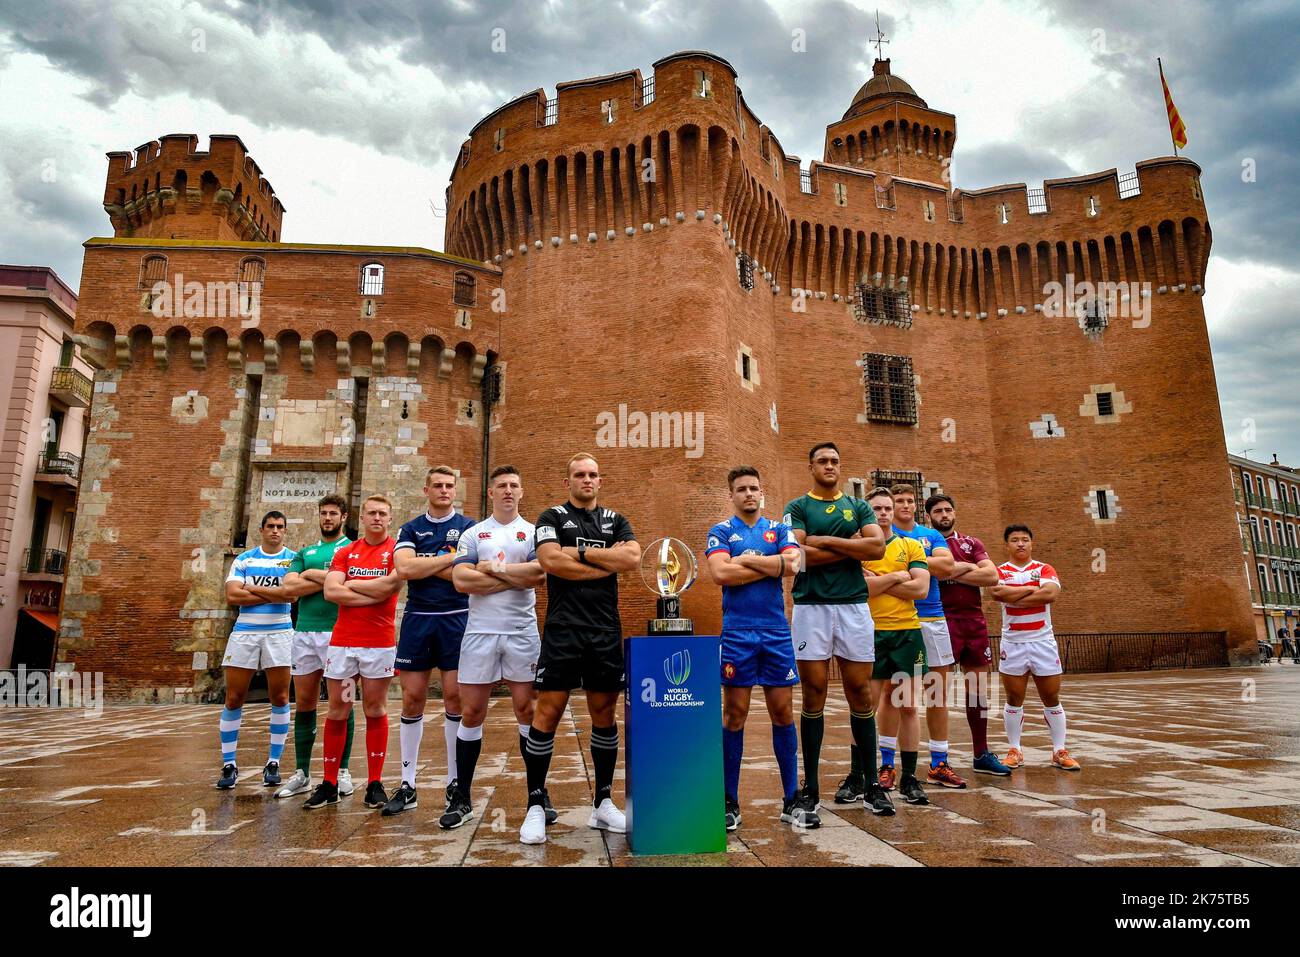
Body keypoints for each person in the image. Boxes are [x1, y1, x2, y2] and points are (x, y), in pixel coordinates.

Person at [520, 454, 641, 845]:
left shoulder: (616, 520)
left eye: (592, 475)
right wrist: (605, 562)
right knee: (548, 711)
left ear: (600, 481)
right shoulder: (551, 517)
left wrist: (582, 553)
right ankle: (535, 805)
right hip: (563, 627)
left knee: (604, 713)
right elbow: (551, 561)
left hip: (604, 628)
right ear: (568, 480)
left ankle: (603, 803)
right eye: (579, 474)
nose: (586, 480)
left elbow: (633, 558)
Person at [784, 442, 891, 820]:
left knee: (860, 692)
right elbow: (797, 556)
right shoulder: (797, 507)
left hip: (853, 605)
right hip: (811, 606)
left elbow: (877, 548)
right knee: (813, 692)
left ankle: (871, 786)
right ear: (810, 466)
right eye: (822, 461)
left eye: (834, 461)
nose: (829, 466)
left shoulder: (859, 506)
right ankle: (810, 789)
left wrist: (825, 541)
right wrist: (853, 548)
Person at [441, 465, 548, 829]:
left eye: (514, 485)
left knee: (526, 710)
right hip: (480, 633)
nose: (507, 490)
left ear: (522, 492)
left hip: (521, 631)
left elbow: (539, 575)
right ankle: (463, 798)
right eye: (501, 485)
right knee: (471, 713)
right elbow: (459, 579)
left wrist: (492, 572)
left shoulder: (533, 533)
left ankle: (537, 795)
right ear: (490, 493)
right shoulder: (474, 533)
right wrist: (512, 579)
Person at [705, 466, 806, 831]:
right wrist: (770, 566)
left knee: (783, 712)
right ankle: (729, 801)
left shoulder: (779, 529)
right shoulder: (720, 531)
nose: (749, 494)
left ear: (762, 493)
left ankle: (791, 797)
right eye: (741, 489)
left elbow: (793, 564)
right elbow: (720, 574)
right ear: (731, 494)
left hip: (776, 631)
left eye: (754, 488)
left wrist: (744, 561)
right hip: (737, 632)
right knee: (735, 714)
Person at [383, 467, 477, 816]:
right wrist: (446, 559)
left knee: (455, 697)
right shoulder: (410, 528)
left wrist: (424, 562)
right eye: (437, 485)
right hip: (419, 619)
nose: (443, 490)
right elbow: (404, 570)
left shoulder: (469, 527)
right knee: (412, 699)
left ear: (455, 490)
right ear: (426, 489)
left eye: (449, 485)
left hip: (457, 617)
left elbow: (463, 572)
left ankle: (455, 781)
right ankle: (408, 784)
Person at [303, 496, 405, 809]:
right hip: (345, 644)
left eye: (382, 514)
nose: (377, 518)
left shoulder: (395, 552)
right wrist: (370, 591)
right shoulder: (346, 551)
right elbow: (332, 591)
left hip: (378, 644)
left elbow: (390, 588)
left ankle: (375, 782)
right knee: (338, 709)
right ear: (362, 518)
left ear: (390, 518)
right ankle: (329, 782)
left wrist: (353, 586)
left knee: (374, 708)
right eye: (371, 513)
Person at [276, 495, 357, 799]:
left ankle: (343, 771)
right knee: (305, 702)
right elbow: (289, 589)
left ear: (343, 517)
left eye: (333, 513)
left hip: (340, 634)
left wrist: (310, 577)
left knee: (343, 702)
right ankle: (302, 772)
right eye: (323, 513)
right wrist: (324, 579)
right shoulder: (304, 551)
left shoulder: (351, 550)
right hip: (305, 633)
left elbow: (348, 582)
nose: (327, 518)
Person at [925, 493, 1012, 777]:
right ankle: (939, 758)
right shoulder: (923, 541)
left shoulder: (971, 542)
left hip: (973, 621)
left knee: (978, 690)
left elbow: (991, 576)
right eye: (938, 510)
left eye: (948, 509)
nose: (944, 514)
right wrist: (967, 569)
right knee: (936, 691)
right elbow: (928, 573)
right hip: (940, 619)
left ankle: (981, 752)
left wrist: (949, 571)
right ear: (929, 516)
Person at [888, 484, 966, 790]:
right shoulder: (881, 534)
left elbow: (947, 566)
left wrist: (906, 561)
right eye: (899, 501)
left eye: (910, 500)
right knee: (899, 698)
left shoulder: (930, 534)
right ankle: (888, 765)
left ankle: (938, 762)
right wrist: (923, 564)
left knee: (938, 695)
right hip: (897, 617)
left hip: (933, 617)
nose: (905, 505)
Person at [861, 487, 930, 806]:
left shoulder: (911, 544)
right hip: (871, 634)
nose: (884, 513)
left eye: (888, 507)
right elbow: (862, 589)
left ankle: (910, 777)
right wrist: (899, 577)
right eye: (877, 508)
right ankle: (876, 771)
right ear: (868, 512)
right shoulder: (863, 548)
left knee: (909, 706)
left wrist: (882, 580)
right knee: (867, 707)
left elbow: (922, 589)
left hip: (907, 633)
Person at [992, 524, 1079, 772]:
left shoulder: (1044, 568)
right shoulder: (1000, 571)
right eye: (1015, 540)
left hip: (1042, 641)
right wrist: (1033, 589)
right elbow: (997, 592)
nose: (1020, 544)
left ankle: (1059, 750)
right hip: (1013, 642)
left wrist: (1017, 597)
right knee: (1013, 698)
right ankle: (1015, 750)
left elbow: (1050, 593)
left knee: (1051, 697)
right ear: (1007, 544)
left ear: (1031, 543)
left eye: (1025, 540)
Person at [219, 511, 296, 790]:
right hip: (245, 633)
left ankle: (273, 761)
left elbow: (291, 595)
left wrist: (251, 588)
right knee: (234, 697)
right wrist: (273, 593)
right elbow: (232, 596)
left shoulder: (292, 559)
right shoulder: (244, 559)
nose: (275, 531)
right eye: (271, 527)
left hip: (279, 633)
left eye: (280, 527)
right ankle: (229, 764)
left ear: (285, 531)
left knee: (280, 695)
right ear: (261, 530)